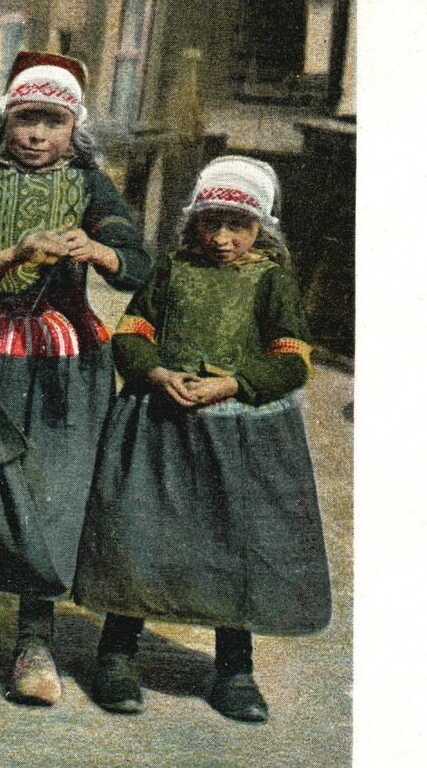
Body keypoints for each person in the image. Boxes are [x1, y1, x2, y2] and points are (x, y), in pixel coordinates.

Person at [75, 156, 330, 723]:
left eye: (236, 226)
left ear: (259, 228)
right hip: (158, 423)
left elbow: (292, 359)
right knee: (137, 534)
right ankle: (116, 656)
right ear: (192, 225)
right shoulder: (171, 271)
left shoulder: (271, 281)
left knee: (232, 543)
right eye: (210, 225)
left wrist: (235, 383)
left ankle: (234, 669)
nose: (221, 238)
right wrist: (156, 373)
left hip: (239, 435)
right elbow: (133, 333)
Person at [0, 51, 151, 706]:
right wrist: (16, 253)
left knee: (54, 489)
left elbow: (138, 264)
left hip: (64, 353)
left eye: (52, 122)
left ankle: (36, 635)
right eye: (26, 119)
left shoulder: (92, 185)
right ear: (8, 121)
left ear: (72, 126)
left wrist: (99, 249)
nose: (36, 135)